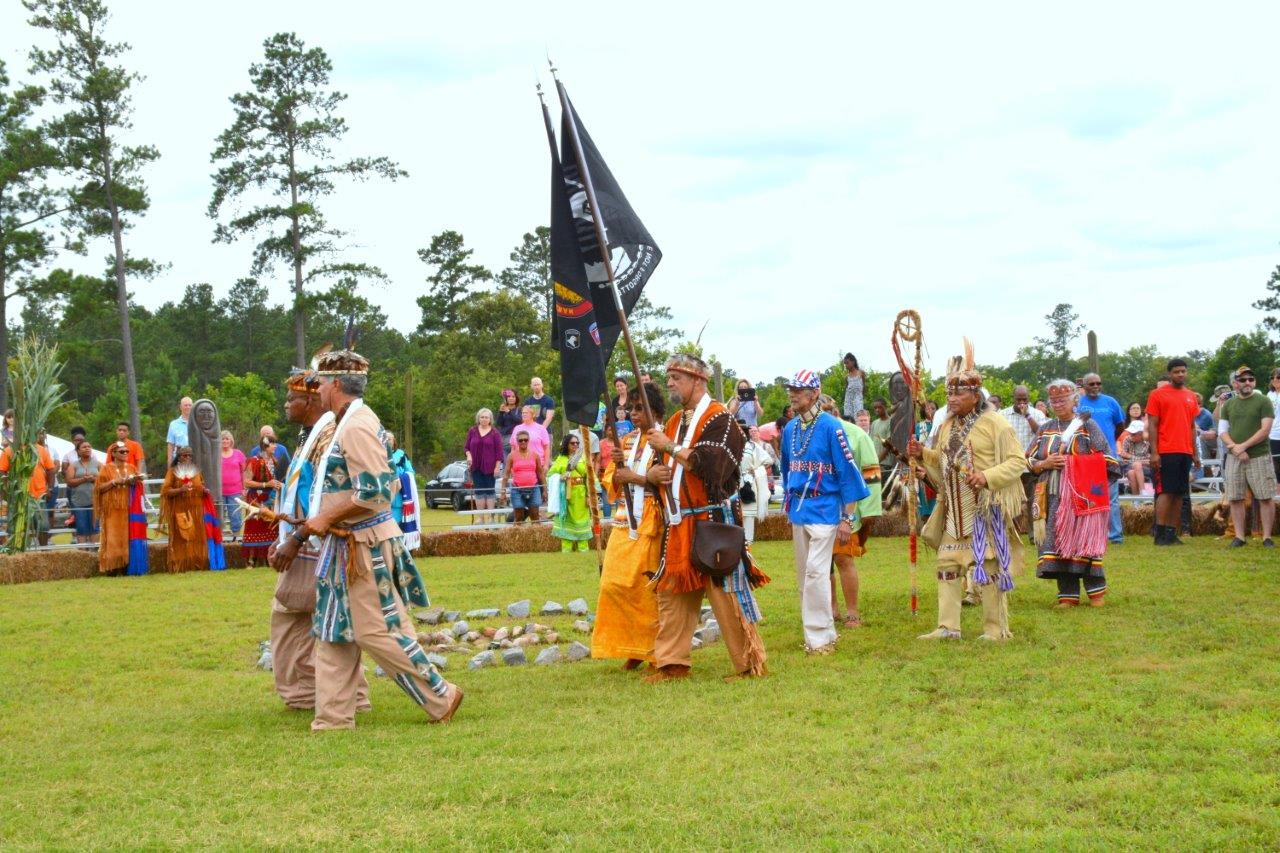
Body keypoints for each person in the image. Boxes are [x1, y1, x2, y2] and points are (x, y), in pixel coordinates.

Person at [268, 346, 461, 730]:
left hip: (364, 544)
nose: (316, 390)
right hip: (345, 546)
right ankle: (334, 718)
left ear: (335, 383)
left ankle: (441, 695)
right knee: (334, 629)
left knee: (375, 632)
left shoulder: (356, 426)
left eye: (320, 383)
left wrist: (323, 518)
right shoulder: (345, 422)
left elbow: (375, 492)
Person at [643, 353, 769, 683]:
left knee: (725, 593)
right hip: (679, 522)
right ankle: (671, 663)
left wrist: (669, 448)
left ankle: (748, 664)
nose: (669, 383)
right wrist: (654, 474)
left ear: (698, 380)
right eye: (668, 377)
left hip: (713, 520)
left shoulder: (720, 420)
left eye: (677, 377)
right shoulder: (674, 421)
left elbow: (712, 465)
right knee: (674, 594)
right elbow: (664, 466)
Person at [268, 368, 370, 712]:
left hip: (318, 542)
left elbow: (330, 494)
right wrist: (285, 533)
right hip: (305, 538)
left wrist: (295, 539)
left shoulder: (328, 435)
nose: (286, 404)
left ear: (310, 399)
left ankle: (316, 693)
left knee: (312, 618)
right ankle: (334, 693)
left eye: (292, 398)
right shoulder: (309, 434)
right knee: (315, 618)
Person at [906, 358, 1027, 641]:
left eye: (959, 393)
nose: (952, 398)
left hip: (983, 508)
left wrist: (987, 476)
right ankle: (948, 627)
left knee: (988, 567)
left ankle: (994, 630)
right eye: (949, 393)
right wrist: (923, 452)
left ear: (975, 396)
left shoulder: (995, 423)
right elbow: (944, 460)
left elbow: (1018, 461)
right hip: (954, 509)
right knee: (947, 565)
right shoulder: (948, 425)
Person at [778, 373, 869, 654]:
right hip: (800, 511)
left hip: (826, 510)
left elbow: (848, 474)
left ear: (814, 393)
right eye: (791, 390)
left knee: (817, 572)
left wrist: (847, 517)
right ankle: (821, 631)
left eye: (799, 390)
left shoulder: (832, 428)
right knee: (806, 575)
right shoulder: (790, 430)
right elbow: (785, 469)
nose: (793, 395)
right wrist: (788, 503)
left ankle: (818, 640)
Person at [1028, 379, 1121, 608]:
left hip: (1081, 496)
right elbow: (1027, 459)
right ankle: (1067, 595)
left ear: (1075, 401)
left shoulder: (1088, 426)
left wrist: (1071, 463)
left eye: (1063, 400)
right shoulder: (1045, 428)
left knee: (1083, 542)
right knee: (1060, 544)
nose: (1058, 404)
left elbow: (1108, 459)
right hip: (1052, 495)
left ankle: (1096, 592)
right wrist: (1045, 463)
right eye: (1054, 400)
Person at [592, 382, 665, 669]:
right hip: (624, 521)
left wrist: (636, 477)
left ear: (654, 410)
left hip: (651, 521)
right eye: (630, 409)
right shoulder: (627, 442)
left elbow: (664, 479)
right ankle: (629, 646)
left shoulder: (664, 439)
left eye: (638, 408)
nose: (633, 414)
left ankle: (651, 650)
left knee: (645, 588)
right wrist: (618, 472)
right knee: (612, 583)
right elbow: (611, 479)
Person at [819, 395, 881, 629]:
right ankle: (831, 609)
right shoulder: (810, 435)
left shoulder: (856, 435)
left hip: (848, 509)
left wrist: (869, 513)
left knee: (843, 559)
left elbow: (871, 474)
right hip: (820, 510)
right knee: (822, 564)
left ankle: (852, 612)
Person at [1145, 359, 1200, 545]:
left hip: (1185, 450)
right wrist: (1154, 452)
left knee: (1180, 493)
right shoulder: (1157, 394)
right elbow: (1152, 424)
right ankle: (1159, 533)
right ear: (1170, 374)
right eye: (1177, 372)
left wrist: (1195, 452)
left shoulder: (1191, 395)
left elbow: (1192, 426)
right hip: (1166, 450)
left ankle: (1171, 533)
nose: (1181, 374)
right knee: (1166, 492)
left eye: (1183, 371)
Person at [1220, 365, 1276, 548]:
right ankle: (1239, 536)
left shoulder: (1263, 401)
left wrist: (1242, 447)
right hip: (1234, 457)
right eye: (1243, 379)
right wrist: (1235, 448)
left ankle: (1267, 537)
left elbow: (1265, 430)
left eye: (1250, 379)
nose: (1247, 382)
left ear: (1255, 382)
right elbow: (1222, 431)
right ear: (1236, 383)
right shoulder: (1228, 404)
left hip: (1259, 455)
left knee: (1265, 497)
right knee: (1235, 498)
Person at [1076, 373, 1127, 545]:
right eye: (1091, 384)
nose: (1096, 386)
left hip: (1108, 456)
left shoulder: (1110, 402)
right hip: (1084, 456)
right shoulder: (1078, 403)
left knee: (1111, 498)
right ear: (1084, 385)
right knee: (1088, 496)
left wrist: (1108, 442)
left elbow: (1120, 426)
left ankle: (1115, 535)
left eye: (1099, 383)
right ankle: (1092, 534)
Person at [93, 441, 148, 575]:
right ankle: (112, 568)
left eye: (127, 451)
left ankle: (127, 567)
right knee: (113, 538)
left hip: (129, 509)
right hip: (112, 510)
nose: (125, 454)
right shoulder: (106, 469)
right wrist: (113, 482)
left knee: (128, 537)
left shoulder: (131, 467)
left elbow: (139, 487)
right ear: (113, 454)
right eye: (122, 452)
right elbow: (98, 489)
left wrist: (135, 481)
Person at [0, 432, 58, 547]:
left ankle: (43, 552)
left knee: (43, 527)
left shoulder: (41, 450)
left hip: (38, 496)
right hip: (17, 497)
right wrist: (6, 489)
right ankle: (17, 553)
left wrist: (50, 489)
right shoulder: (9, 450)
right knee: (14, 528)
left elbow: (51, 470)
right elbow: (2, 471)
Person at [160, 446, 212, 571]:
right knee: (181, 537)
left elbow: (201, 485)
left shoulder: (196, 471)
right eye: (184, 455)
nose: (187, 458)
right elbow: (165, 491)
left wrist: (204, 490)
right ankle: (180, 565)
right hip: (179, 510)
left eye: (189, 455)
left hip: (195, 510)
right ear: (179, 457)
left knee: (196, 536)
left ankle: (196, 563)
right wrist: (180, 490)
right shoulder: (172, 471)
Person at [242, 436, 282, 566]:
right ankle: (251, 561)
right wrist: (266, 484)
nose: (275, 446)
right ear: (265, 446)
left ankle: (266, 559)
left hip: (269, 499)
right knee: (254, 527)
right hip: (255, 500)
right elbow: (246, 482)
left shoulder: (274, 461)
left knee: (269, 528)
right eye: (273, 444)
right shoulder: (253, 461)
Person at [547, 434, 591, 551]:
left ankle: (583, 549)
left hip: (581, 495)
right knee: (566, 522)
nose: (575, 445)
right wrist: (560, 477)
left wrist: (589, 495)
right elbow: (550, 475)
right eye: (572, 443)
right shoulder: (561, 459)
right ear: (566, 445)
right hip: (566, 496)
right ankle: (566, 550)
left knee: (581, 522)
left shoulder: (582, 458)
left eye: (577, 443)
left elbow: (590, 477)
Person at [465, 408, 504, 524]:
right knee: (479, 492)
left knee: (490, 492)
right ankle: (480, 517)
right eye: (482, 417)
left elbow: (499, 453)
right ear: (478, 418)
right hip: (476, 467)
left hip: (490, 468)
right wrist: (468, 455)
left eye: (486, 417)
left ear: (490, 419)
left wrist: (497, 467)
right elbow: (467, 447)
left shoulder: (495, 433)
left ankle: (491, 517)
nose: (484, 419)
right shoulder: (472, 431)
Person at [739, 423, 775, 543]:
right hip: (732, 483)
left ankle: (748, 542)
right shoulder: (729, 445)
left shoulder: (752, 446)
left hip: (748, 482)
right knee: (733, 512)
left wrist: (756, 471)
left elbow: (769, 460)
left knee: (748, 515)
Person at [501, 429, 546, 522]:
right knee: (518, 517)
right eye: (520, 440)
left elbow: (540, 474)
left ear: (528, 440)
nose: (523, 442)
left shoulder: (535, 455)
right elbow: (506, 475)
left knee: (535, 517)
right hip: (517, 489)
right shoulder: (511, 456)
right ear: (517, 442)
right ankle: (517, 535)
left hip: (534, 488)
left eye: (525, 439)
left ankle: (535, 535)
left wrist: (545, 490)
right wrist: (503, 492)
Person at [64, 439, 100, 545]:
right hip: (78, 502)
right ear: (78, 451)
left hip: (95, 501)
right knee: (81, 528)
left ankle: (93, 554)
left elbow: (105, 479)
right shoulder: (73, 465)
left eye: (89, 446)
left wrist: (93, 479)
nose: (87, 448)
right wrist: (83, 479)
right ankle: (83, 554)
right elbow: (69, 481)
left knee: (94, 528)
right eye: (84, 447)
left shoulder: (98, 464)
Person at [220, 431, 247, 540]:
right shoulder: (215, 454)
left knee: (235, 516)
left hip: (235, 491)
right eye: (223, 439)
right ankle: (219, 539)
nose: (225, 441)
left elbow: (244, 472)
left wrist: (244, 488)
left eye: (227, 439)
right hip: (219, 493)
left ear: (231, 441)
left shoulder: (238, 454)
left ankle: (236, 539)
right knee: (219, 517)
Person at [1118, 421, 1151, 495]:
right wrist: (1141, 460)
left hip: (1147, 469)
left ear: (1141, 433)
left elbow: (1150, 461)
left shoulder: (1149, 441)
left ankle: (1141, 493)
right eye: (1130, 433)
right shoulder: (1127, 439)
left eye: (1133, 434)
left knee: (1136, 465)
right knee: (1131, 472)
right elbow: (1123, 458)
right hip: (1130, 467)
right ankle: (1138, 499)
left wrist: (1130, 456)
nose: (1131, 435)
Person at [166, 396, 193, 467]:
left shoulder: (198, 423)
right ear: (181, 407)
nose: (188, 407)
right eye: (185, 405)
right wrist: (169, 462)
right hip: (179, 461)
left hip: (194, 460)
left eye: (190, 405)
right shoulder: (173, 424)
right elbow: (170, 445)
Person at [841, 353, 865, 420]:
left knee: (858, 418)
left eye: (847, 363)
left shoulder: (861, 373)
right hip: (848, 403)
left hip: (858, 401)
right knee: (848, 419)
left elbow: (864, 388)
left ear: (853, 362)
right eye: (845, 364)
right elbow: (847, 391)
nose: (846, 365)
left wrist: (860, 398)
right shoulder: (847, 377)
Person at [870, 399, 892, 464]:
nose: (877, 410)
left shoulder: (891, 422)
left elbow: (888, 446)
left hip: (885, 464)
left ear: (886, 407)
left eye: (879, 407)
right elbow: (871, 443)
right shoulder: (874, 423)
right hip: (874, 462)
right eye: (875, 408)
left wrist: (878, 461)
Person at [1269, 369, 1280, 481]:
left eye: (1278, 377)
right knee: (1276, 467)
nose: (1275, 379)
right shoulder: (1269, 394)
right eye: (1272, 377)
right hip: (1273, 435)